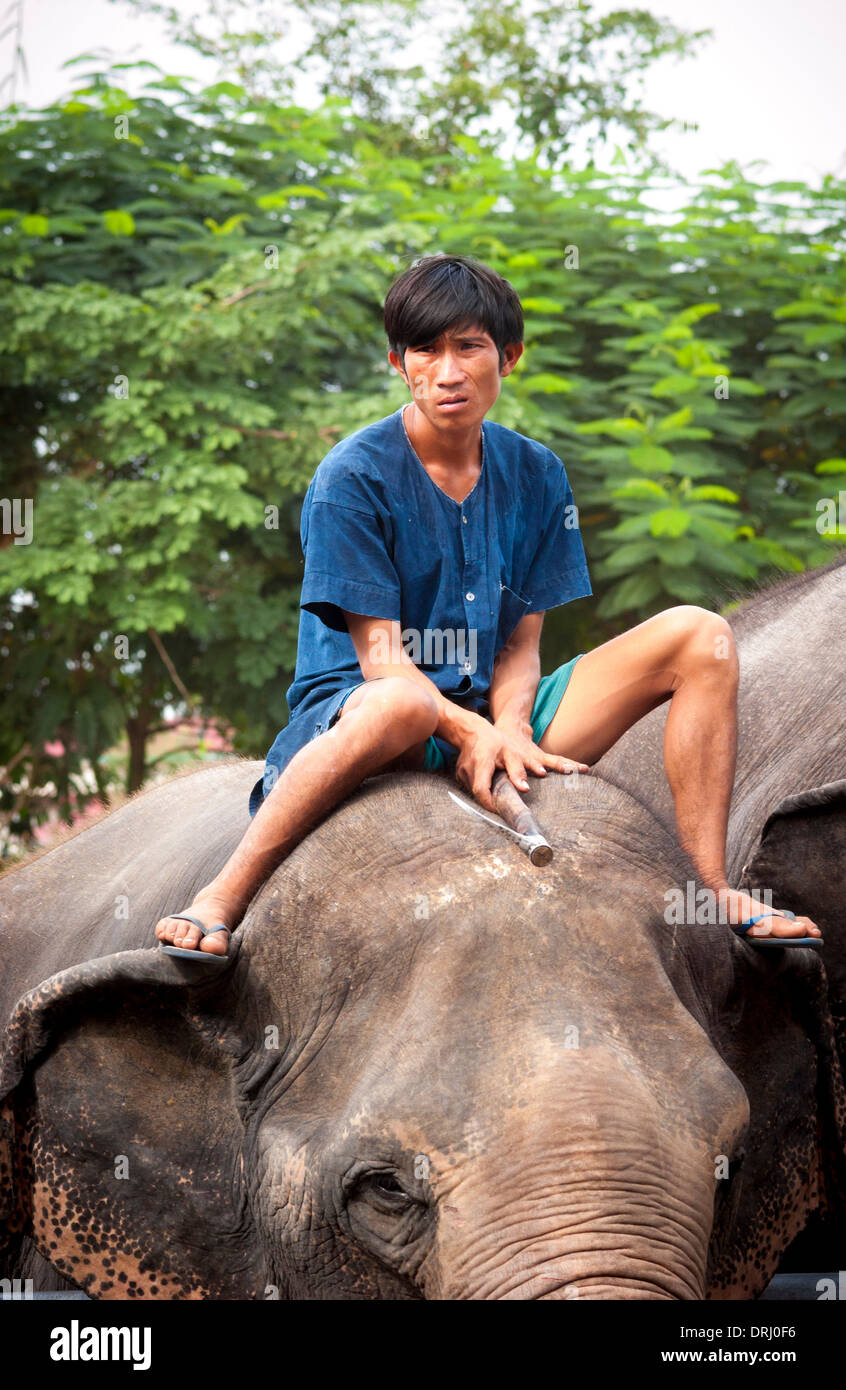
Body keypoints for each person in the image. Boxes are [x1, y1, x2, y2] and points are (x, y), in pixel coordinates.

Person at [154, 253, 820, 960]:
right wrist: (473, 736)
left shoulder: (538, 473)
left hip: (491, 705)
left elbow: (519, 646)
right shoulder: (350, 476)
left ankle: (711, 888)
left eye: (469, 347)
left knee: (701, 635)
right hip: (372, 709)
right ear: (397, 362)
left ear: (509, 357)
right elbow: (383, 663)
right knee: (404, 705)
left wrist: (508, 727)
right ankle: (221, 894)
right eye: (426, 350)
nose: (448, 371)